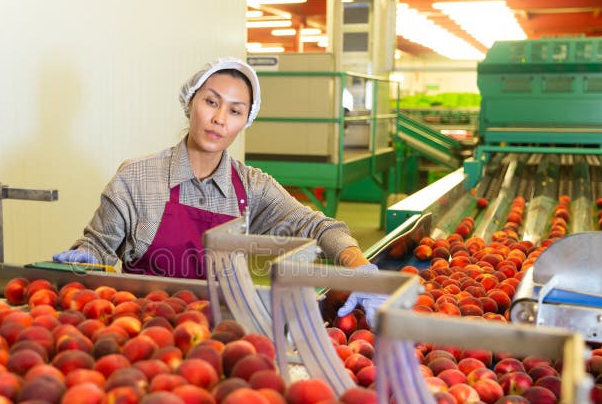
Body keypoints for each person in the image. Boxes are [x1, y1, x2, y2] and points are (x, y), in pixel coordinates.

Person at [53, 57, 375, 283]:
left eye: (235, 110)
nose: (220, 118)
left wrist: (357, 266)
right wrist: (87, 257)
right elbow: (97, 247)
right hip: (143, 332)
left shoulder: (253, 189)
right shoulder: (136, 178)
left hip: (224, 337)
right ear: (190, 102)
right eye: (211, 102)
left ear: (245, 121)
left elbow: (319, 227)